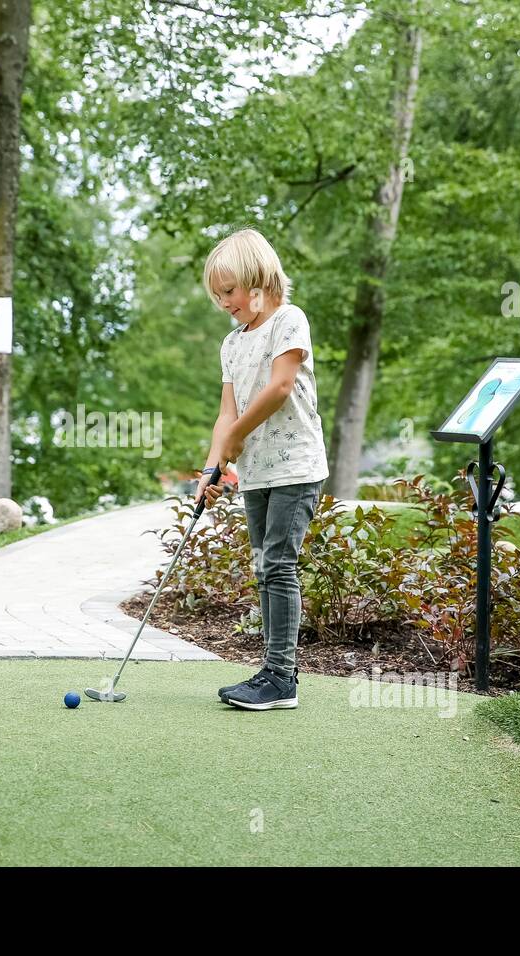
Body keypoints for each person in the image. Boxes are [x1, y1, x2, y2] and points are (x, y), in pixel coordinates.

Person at [195, 229, 330, 710]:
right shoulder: (231, 344)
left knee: (278, 564)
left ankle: (280, 678)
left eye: (228, 291)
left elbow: (279, 388)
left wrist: (233, 438)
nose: (224, 303)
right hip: (256, 471)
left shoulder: (289, 321)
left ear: (258, 280)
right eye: (218, 295)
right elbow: (226, 413)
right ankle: (272, 672)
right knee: (265, 568)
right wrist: (213, 467)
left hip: (296, 466)